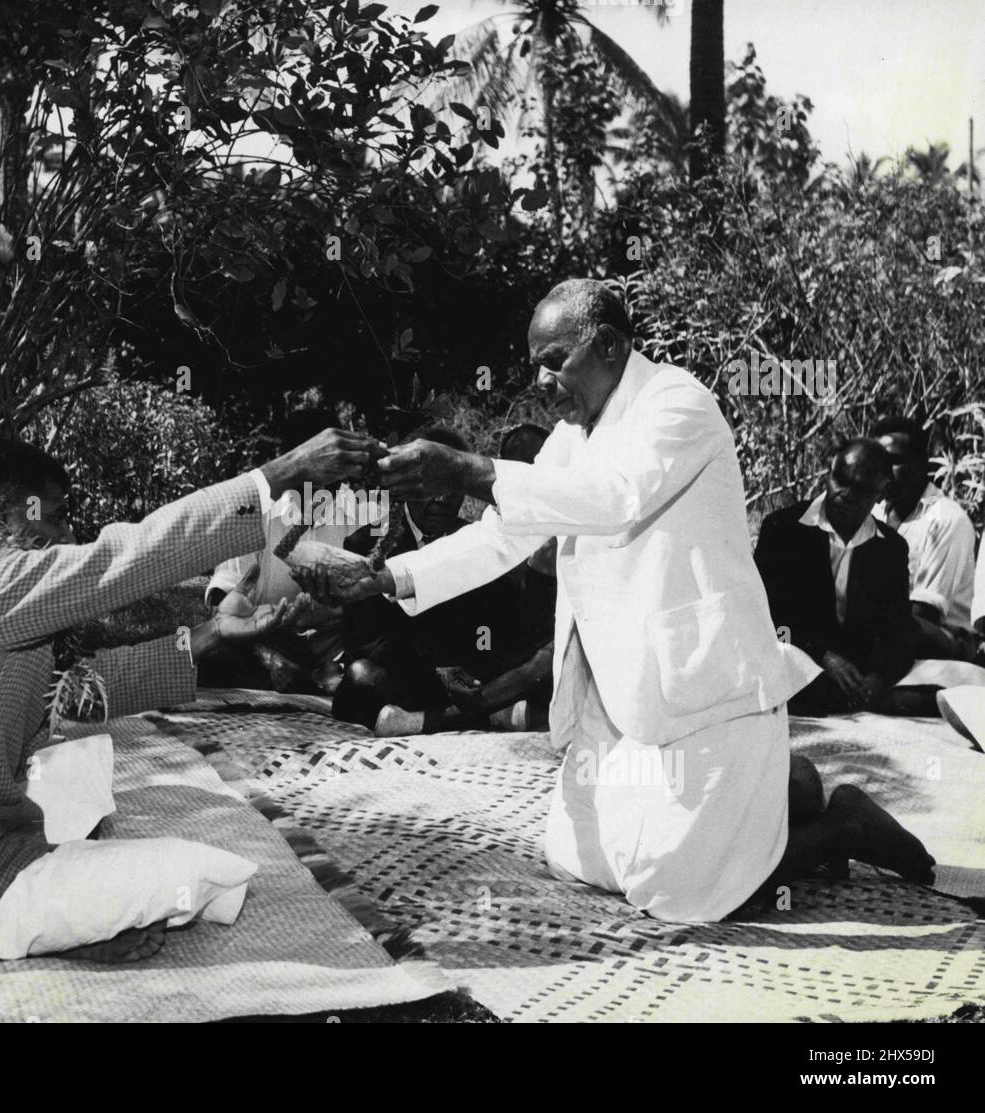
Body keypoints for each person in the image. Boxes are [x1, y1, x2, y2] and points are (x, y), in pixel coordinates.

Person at [287, 279, 935, 923]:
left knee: (674, 891)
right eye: (534, 366)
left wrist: (471, 470)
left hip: (707, 693)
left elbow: (615, 497)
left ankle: (841, 826)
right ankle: (782, 789)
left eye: (554, 363)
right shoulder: (572, 437)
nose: (542, 382)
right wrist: (383, 579)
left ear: (606, 345)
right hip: (623, 699)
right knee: (578, 856)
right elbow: (503, 535)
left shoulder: (679, 402)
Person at [0, 429, 381, 966]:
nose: (69, 533)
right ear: (3, 517)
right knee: (207, 873)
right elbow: (134, 554)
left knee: (81, 764)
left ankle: (58, 902)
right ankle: (46, 926)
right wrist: (279, 475)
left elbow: (77, 692)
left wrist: (213, 633)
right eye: (55, 514)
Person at [331, 427, 554, 734]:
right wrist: (438, 671)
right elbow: (368, 641)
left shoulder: (476, 538)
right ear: (407, 486)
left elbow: (495, 626)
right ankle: (488, 714)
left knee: (545, 657)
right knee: (362, 676)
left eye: (452, 487)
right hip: (407, 676)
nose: (443, 499)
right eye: (432, 487)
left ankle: (437, 720)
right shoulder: (365, 544)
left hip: (465, 678)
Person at [200, 409, 376, 694]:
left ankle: (327, 682)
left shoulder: (364, 515)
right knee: (211, 657)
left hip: (338, 648)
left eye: (335, 464)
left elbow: (377, 610)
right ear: (290, 462)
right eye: (315, 463)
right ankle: (309, 684)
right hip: (267, 642)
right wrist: (268, 658)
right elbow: (223, 602)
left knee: (370, 677)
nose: (322, 476)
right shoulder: (250, 514)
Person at [754, 439, 916, 715]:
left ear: (882, 493)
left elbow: (899, 633)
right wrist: (822, 656)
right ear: (828, 472)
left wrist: (878, 678)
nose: (845, 494)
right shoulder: (783, 530)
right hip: (792, 670)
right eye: (840, 479)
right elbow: (765, 618)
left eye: (861, 488)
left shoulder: (891, 548)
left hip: (857, 685)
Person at [872, 416, 976, 660]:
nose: (885, 471)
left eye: (895, 461)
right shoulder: (872, 512)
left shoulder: (946, 519)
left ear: (922, 463)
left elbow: (925, 615)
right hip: (889, 632)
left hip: (944, 644)